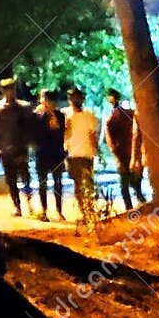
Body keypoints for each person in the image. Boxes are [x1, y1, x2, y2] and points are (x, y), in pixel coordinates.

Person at [0, 79, 34, 216]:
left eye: (12, 89)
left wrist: (27, 144)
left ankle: (29, 201)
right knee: (11, 179)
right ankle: (17, 205)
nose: (10, 92)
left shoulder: (24, 107)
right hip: (5, 150)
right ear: (2, 91)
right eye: (7, 89)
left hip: (21, 148)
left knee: (26, 177)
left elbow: (29, 128)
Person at [103, 89, 146, 210]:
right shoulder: (131, 114)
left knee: (125, 183)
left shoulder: (111, 119)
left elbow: (110, 142)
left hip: (122, 153)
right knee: (134, 182)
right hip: (131, 152)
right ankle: (140, 202)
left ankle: (130, 207)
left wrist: (116, 156)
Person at [64, 88, 101, 220]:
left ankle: (90, 209)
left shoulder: (89, 115)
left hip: (87, 154)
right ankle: (83, 211)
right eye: (73, 98)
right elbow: (64, 135)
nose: (75, 100)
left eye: (78, 97)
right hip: (72, 154)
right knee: (78, 184)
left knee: (88, 183)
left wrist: (98, 151)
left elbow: (93, 136)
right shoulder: (65, 115)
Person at [32, 90, 68, 221]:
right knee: (43, 183)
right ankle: (44, 211)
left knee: (58, 183)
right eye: (42, 99)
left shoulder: (60, 116)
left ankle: (59, 210)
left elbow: (63, 133)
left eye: (45, 99)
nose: (43, 102)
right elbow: (35, 134)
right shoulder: (38, 116)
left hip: (57, 154)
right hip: (42, 154)